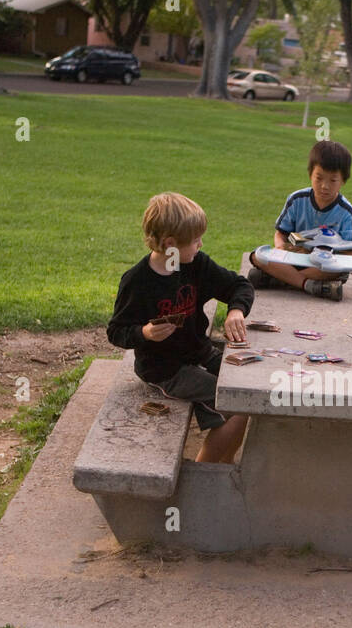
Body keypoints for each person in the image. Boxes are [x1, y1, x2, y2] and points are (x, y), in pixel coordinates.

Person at [107, 191, 253, 463]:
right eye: (195, 240)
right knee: (236, 405)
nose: (200, 244)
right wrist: (145, 333)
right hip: (165, 370)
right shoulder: (137, 281)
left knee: (247, 387)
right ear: (171, 244)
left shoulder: (196, 265)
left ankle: (220, 462)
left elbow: (239, 285)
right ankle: (206, 471)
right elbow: (116, 331)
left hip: (199, 353)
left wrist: (236, 310)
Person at [247, 138, 352, 301]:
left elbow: (350, 253)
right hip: (293, 260)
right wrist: (280, 248)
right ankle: (309, 285)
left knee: (338, 270)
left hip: (323, 267)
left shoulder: (347, 213)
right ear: (310, 174)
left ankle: (282, 280)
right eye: (319, 178)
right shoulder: (297, 200)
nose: (324, 186)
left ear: (343, 180)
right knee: (256, 256)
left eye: (333, 180)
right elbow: (281, 233)